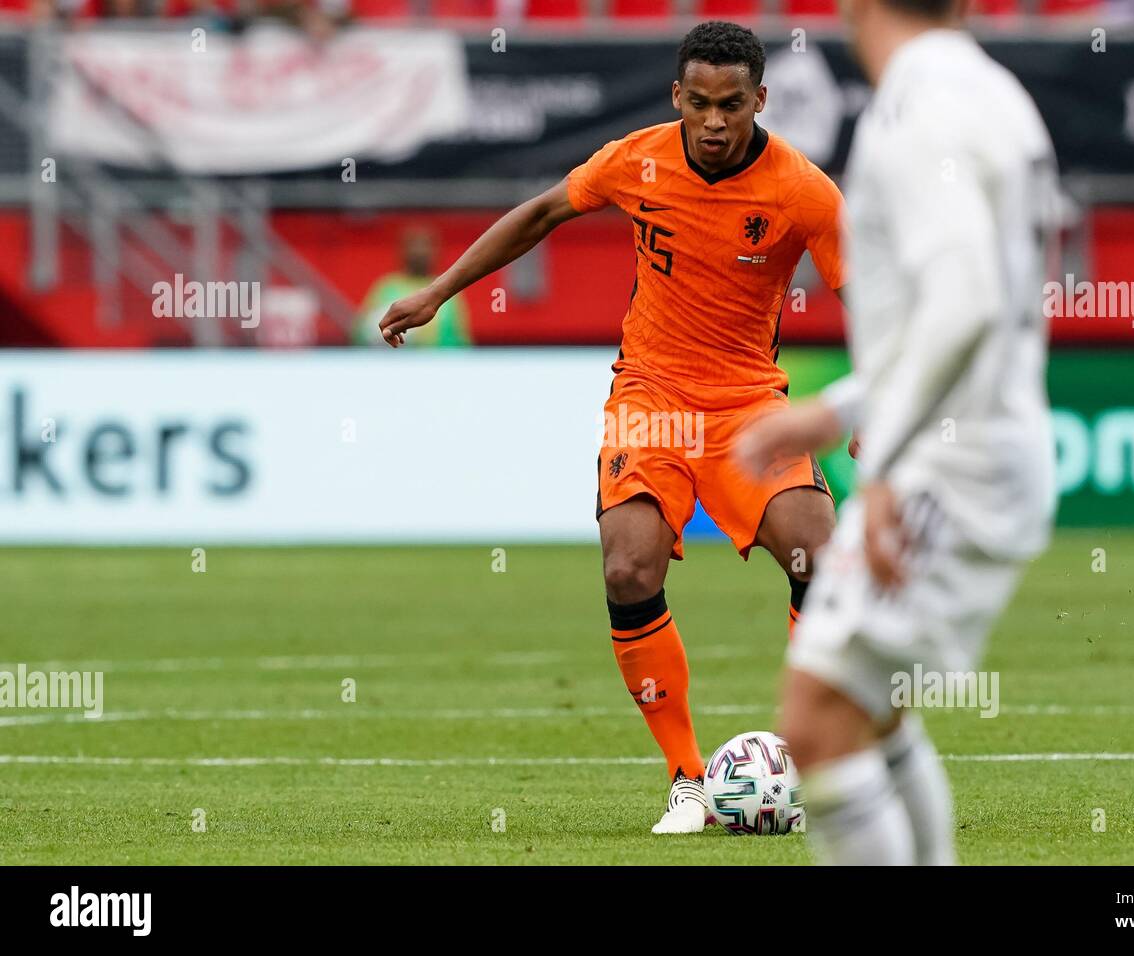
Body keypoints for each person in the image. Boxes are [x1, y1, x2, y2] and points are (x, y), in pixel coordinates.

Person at [379, 21, 846, 834]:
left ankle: (815, 752)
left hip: (748, 405)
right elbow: (541, 213)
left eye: (730, 105)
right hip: (651, 397)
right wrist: (441, 290)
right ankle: (689, 781)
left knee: (819, 548)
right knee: (629, 569)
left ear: (760, 101)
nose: (712, 121)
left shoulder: (802, 191)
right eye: (697, 102)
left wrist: (879, 402)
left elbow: (867, 296)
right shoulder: (637, 159)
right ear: (676, 96)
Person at [736, 0, 1061, 863]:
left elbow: (965, 306)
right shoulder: (989, 89)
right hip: (984, 447)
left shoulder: (923, 105)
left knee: (818, 722)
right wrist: (840, 410)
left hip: (953, 468)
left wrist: (880, 467)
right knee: (872, 713)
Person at [355, 228, 470, 348]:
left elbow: (461, 339)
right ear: (403, 250)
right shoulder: (386, 287)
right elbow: (362, 331)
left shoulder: (447, 288)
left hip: (438, 363)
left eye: (425, 246)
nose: (419, 252)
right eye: (414, 246)